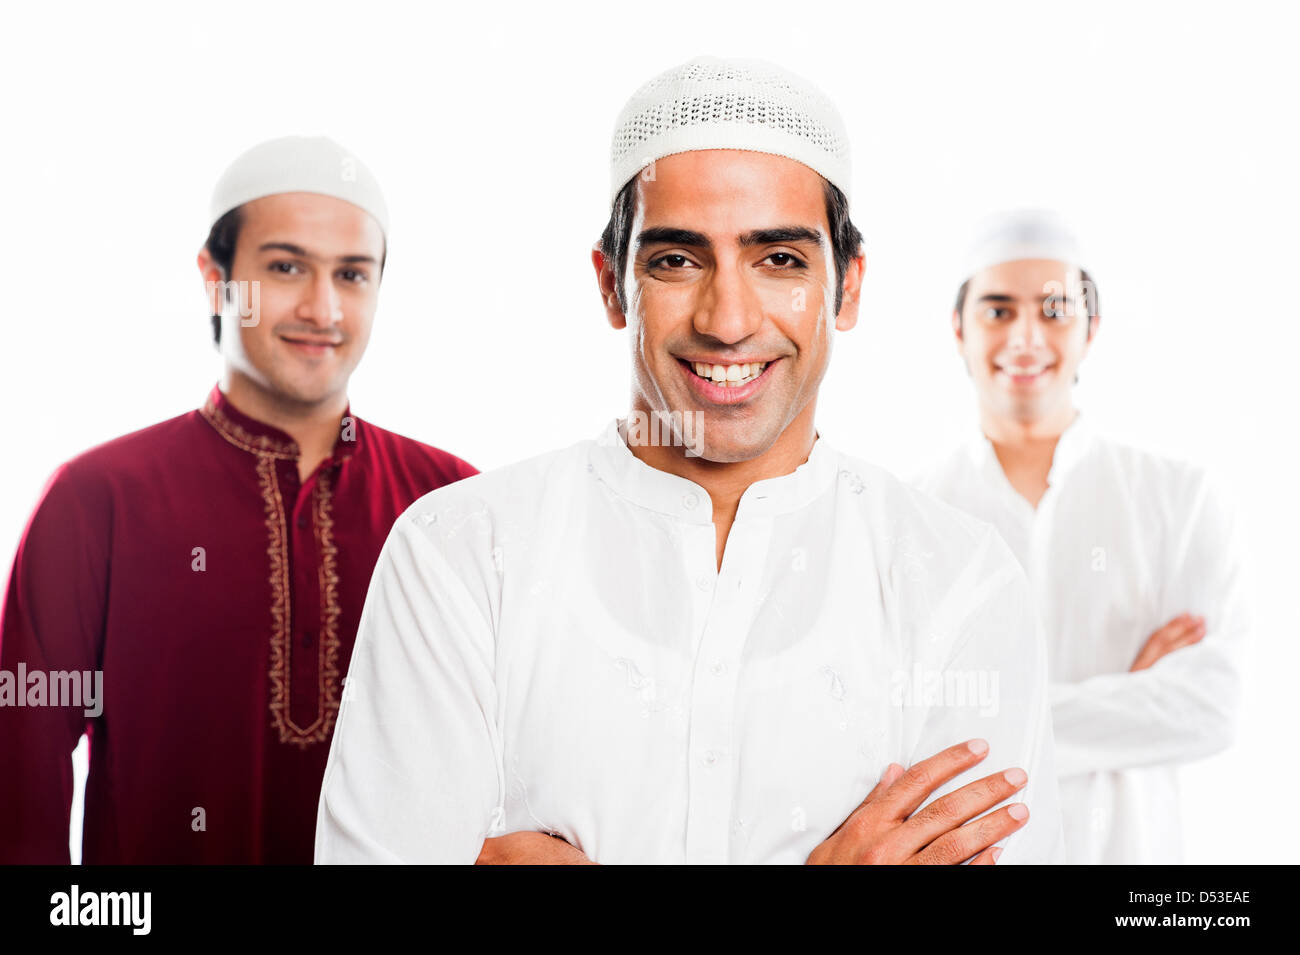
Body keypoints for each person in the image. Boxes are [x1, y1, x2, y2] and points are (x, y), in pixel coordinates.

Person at [315, 58, 1064, 865]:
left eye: (779, 259)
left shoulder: (958, 582)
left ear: (848, 286)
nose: (729, 319)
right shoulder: (460, 555)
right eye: (678, 259)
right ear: (612, 286)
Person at [0, 135, 477, 863]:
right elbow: (21, 794)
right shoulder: (95, 501)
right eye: (286, 266)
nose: (322, 307)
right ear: (214, 277)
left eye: (351, 274)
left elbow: (515, 771)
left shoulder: (452, 502)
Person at [916, 210, 1249, 863]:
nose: (1025, 337)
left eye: (1054, 309)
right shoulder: (910, 516)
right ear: (958, 328)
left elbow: (1214, 704)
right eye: (998, 310)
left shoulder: (1179, 499)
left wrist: (990, 720)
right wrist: (1133, 696)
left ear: (1090, 328)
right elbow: (891, 728)